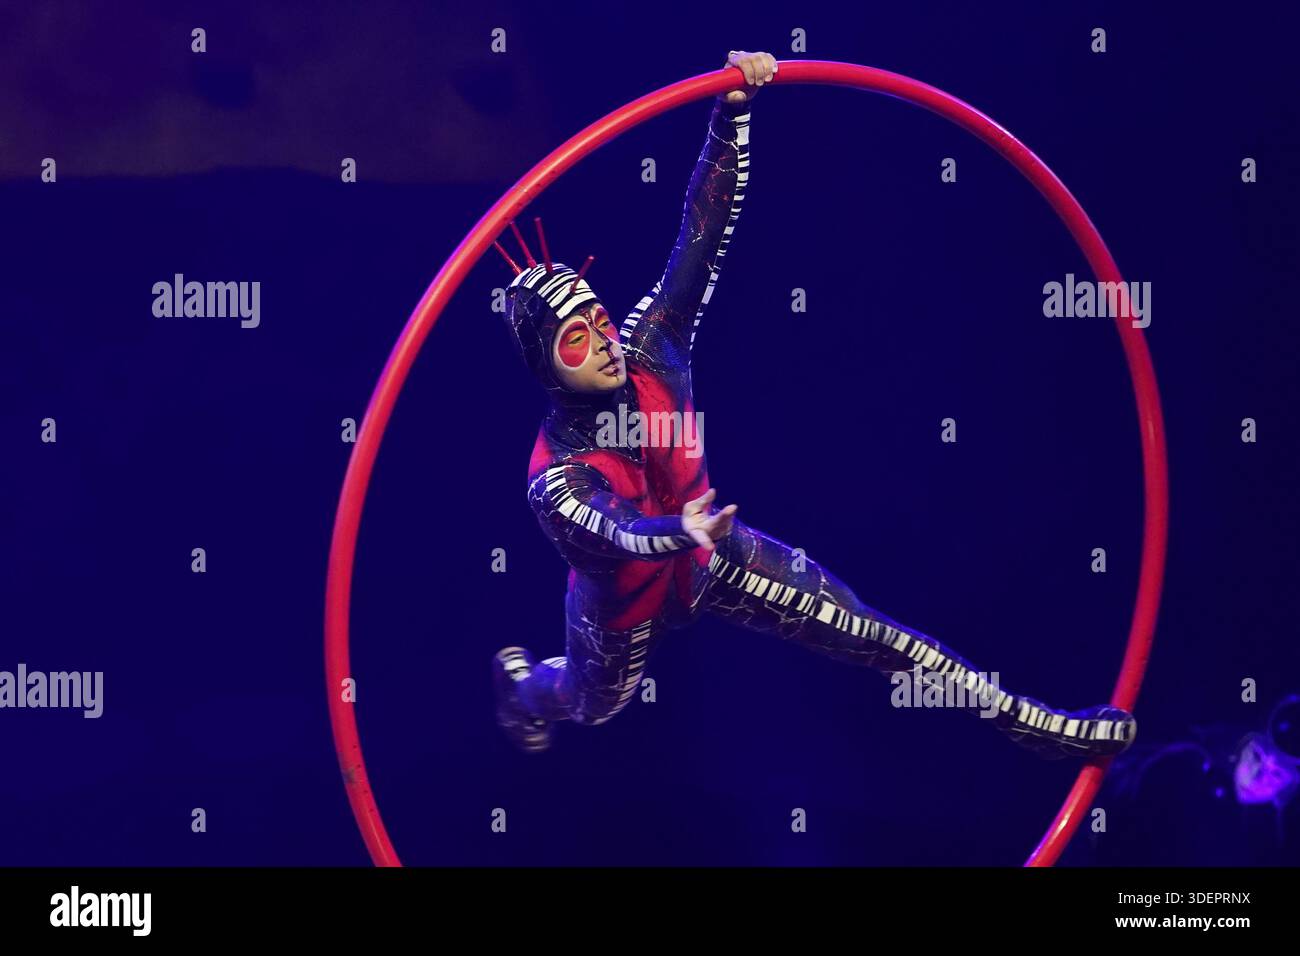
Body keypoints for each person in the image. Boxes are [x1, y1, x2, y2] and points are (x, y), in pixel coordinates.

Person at [490, 50, 1136, 760]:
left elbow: (699, 241)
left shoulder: (652, 347)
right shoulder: (556, 480)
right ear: (545, 369)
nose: (605, 344)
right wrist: (681, 527)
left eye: (600, 321)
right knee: (591, 704)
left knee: (873, 634)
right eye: (577, 341)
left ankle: (1040, 726)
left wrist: (731, 114)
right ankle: (525, 691)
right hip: (623, 612)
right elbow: (617, 533)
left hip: (714, 556)